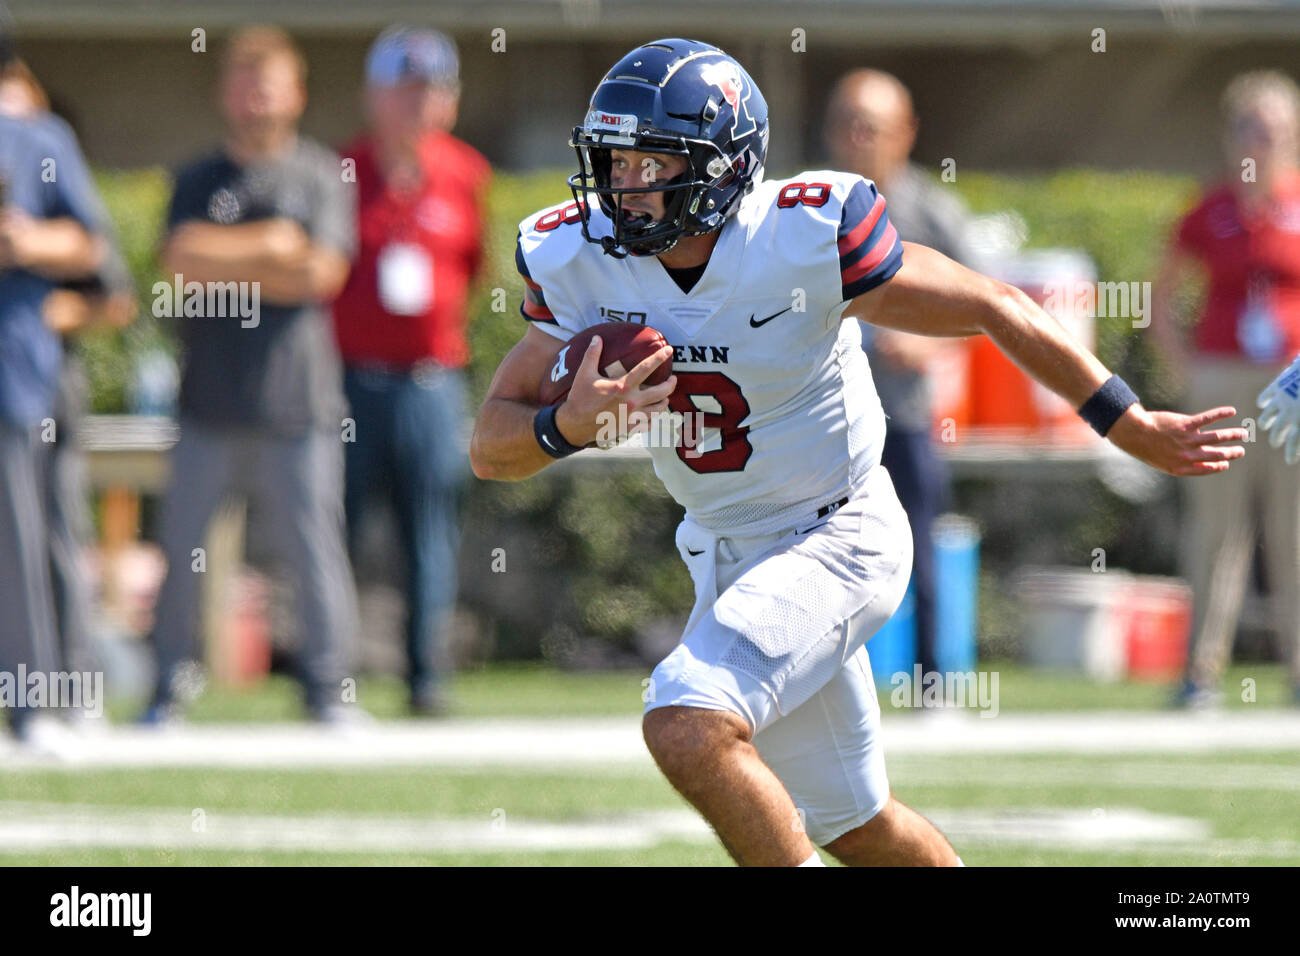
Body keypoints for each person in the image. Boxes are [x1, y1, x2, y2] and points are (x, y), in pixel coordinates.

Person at [470, 39, 1246, 867]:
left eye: (650, 162)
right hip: (726, 553)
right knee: (857, 826)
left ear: (725, 166)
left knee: (686, 721)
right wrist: (569, 426)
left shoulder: (800, 239)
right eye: (613, 162)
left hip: (837, 535)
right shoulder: (584, 261)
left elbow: (993, 303)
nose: (624, 186)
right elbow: (491, 445)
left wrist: (1128, 425)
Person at [142, 26, 361, 724]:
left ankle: (329, 692)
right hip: (205, 405)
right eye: (243, 81)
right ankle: (166, 689)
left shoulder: (320, 175)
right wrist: (270, 245)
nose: (255, 96)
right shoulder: (196, 177)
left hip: (299, 408)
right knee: (181, 556)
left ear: (295, 93)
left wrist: (223, 261)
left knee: (315, 554)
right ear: (224, 92)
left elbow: (322, 274)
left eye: (268, 82)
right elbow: (177, 263)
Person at [333, 27, 490, 716]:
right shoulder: (341, 170)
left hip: (432, 380)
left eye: (430, 89)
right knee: (338, 528)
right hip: (349, 379)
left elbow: (474, 267)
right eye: (403, 88)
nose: (416, 103)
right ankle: (332, 678)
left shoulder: (466, 174)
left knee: (431, 532)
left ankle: (426, 678)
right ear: (374, 96)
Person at [825, 69, 981, 690]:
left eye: (872, 127)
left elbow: (987, 302)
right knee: (823, 548)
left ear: (906, 132)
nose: (858, 139)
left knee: (920, 544)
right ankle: (823, 679)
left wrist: (925, 340)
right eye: (847, 125)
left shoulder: (932, 210)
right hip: (825, 412)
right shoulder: (812, 203)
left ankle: (931, 679)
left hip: (905, 411)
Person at [1153, 70, 1300, 709]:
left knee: (1293, 527)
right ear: (1230, 135)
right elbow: (1162, 294)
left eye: (1273, 128)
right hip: (1222, 375)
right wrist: (1182, 363)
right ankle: (1201, 673)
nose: (1261, 141)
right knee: (1217, 529)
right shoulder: (1207, 210)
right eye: (1250, 127)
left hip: (1292, 380)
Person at [0, 34, 109, 743]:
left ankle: (38, 702)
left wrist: (27, 242)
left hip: (18, 373)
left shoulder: (38, 138)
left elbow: (94, 248)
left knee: (28, 540)